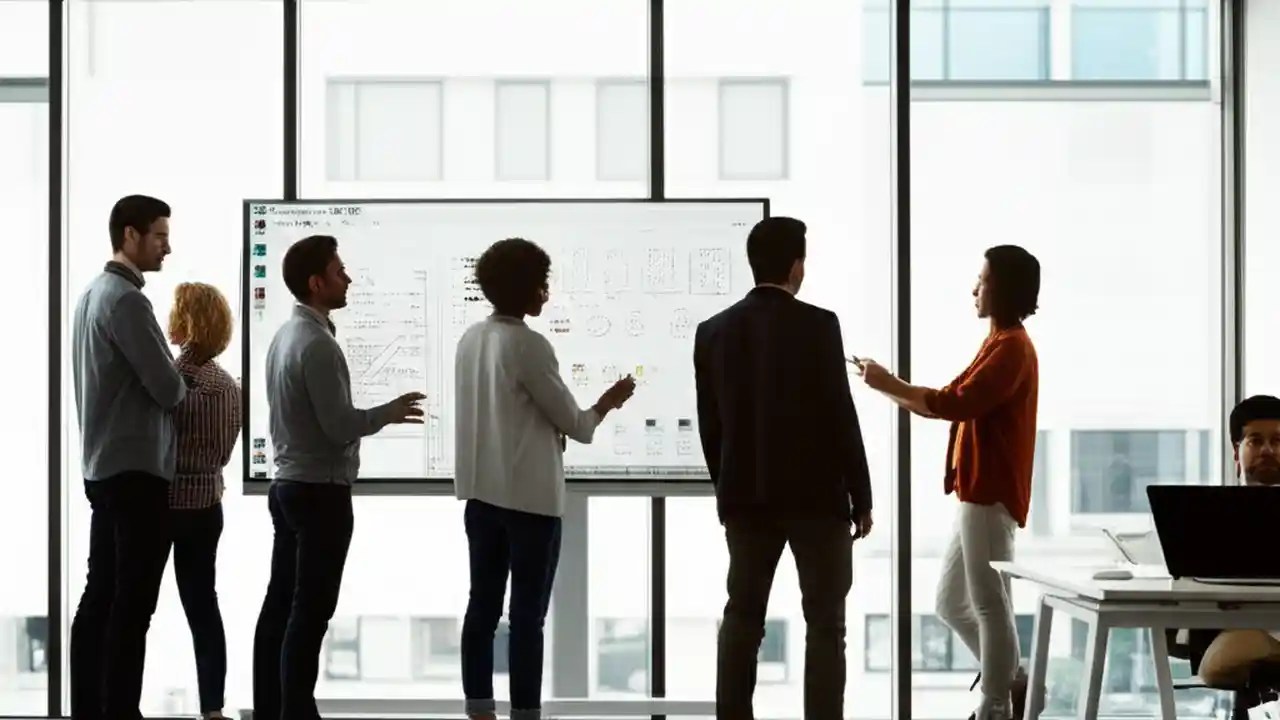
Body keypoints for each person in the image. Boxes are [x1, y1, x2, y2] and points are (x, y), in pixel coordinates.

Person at [693, 216, 873, 720]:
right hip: (818, 500)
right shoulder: (819, 325)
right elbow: (841, 414)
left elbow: (713, 429)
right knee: (824, 624)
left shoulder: (712, 332)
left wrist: (725, 490)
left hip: (746, 499)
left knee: (743, 617)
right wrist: (862, 497)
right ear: (797, 265)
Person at [454, 237, 636, 720]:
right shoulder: (530, 345)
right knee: (527, 618)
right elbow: (576, 425)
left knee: (482, 608)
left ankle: (478, 708)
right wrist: (608, 402)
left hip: (480, 497)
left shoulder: (471, 338)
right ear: (526, 288)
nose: (547, 294)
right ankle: (526, 713)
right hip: (530, 503)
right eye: (543, 283)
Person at [857, 244, 1040, 720]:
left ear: (1003, 288)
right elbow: (945, 400)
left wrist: (887, 384)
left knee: (987, 603)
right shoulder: (999, 342)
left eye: (982, 280)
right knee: (951, 602)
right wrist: (887, 385)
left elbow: (954, 403)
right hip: (976, 490)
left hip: (990, 490)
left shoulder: (1012, 348)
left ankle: (996, 704)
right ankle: (1012, 680)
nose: (974, 289)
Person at [252, 235, 426, 720]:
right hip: (319, 493)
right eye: (339, 271)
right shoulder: (318, 345)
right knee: (311, 612)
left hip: (288, 486)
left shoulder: (285, 337)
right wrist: (387, 412)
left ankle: (276, 708)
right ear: (316, 282)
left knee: (282, 605)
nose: (348, 278)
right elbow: (339, 427)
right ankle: (297, 713)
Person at [70, 194, 187, 720]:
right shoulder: (127, 301)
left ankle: (90, 707)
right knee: (132, 603)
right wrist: (178, 368)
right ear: (130, 235)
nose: (167, 246)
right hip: (137, 471)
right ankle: (119, 710)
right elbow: (169, 389)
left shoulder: (91, 295)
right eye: (159, 235)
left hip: (104, 467)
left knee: (101, 596)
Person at [167, 282, 242, 720]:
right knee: (204, 609)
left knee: (137, 607)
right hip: (208, 506)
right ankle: (212, 707)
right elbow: (225, 453)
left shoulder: (172, 378)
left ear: (185, 322)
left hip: (164, 504)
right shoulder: (228, 385)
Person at [1174, 395, 1280, 687]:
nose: (1268, 450)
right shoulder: (1209, 514)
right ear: (1237, 452)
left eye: (1278, 441)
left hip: (1264, 628)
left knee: (1222, 661)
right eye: (1255, 441)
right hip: (1226, 622)